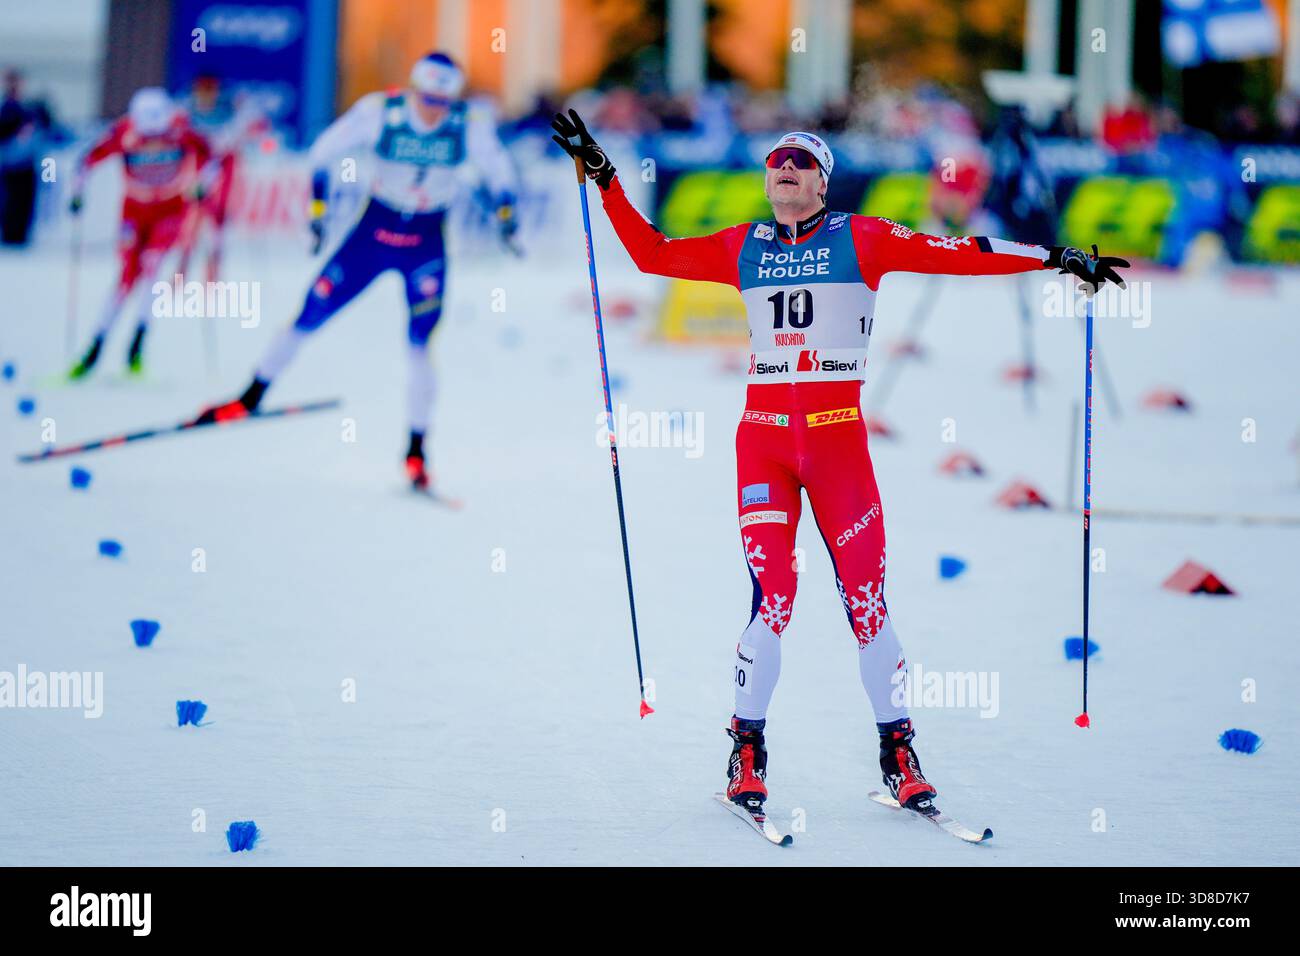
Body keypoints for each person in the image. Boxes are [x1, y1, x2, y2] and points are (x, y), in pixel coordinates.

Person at [551, 110, 1127, 821]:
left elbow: (960, 250)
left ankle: (898, 754)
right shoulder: (744, 245)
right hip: (762, 443)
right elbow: (652, 253)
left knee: (866, 602)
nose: (783, 170)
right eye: (774, 163)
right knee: (775, 599)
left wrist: (1056, 257)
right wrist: (605, 176)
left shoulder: (863, 237)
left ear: (822, 181)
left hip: (837, 445)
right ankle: (746, 751)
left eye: (799, 162)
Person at [197, 52, 519, 492]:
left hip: (425, 242)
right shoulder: (379, 111)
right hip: (373, 233)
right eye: (426, 99)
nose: (431, 110)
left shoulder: (468, 123)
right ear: (412, 89)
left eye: (441, 103)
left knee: (421, 346)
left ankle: (416, 452)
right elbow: (323, 152)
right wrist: (317, 208)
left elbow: (500, 169)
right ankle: (249, 397)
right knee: (307, 316)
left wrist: (506, 211)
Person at [68, 88, 212, 378]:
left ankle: (137, 345)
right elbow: (85, 161)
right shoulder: (124, 131)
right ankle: (96, 346)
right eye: (148, 137)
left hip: (171, 210)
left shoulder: (180, 127)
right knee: (126, 278)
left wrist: (202, 185)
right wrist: (77, 194)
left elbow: (210, 156)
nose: (154, 142)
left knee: (152, 269)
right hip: (134, 212)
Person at [179, 73, 271, 284]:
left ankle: (213, 271)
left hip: (223, 168)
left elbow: (256, 126)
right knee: (191, 217)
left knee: (217, 218)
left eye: (209, 92)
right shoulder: (188, 110)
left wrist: (251, 132)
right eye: (201, 92)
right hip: (199, 168)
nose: (205, 97)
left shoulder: (231, 109)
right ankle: (182, 270)